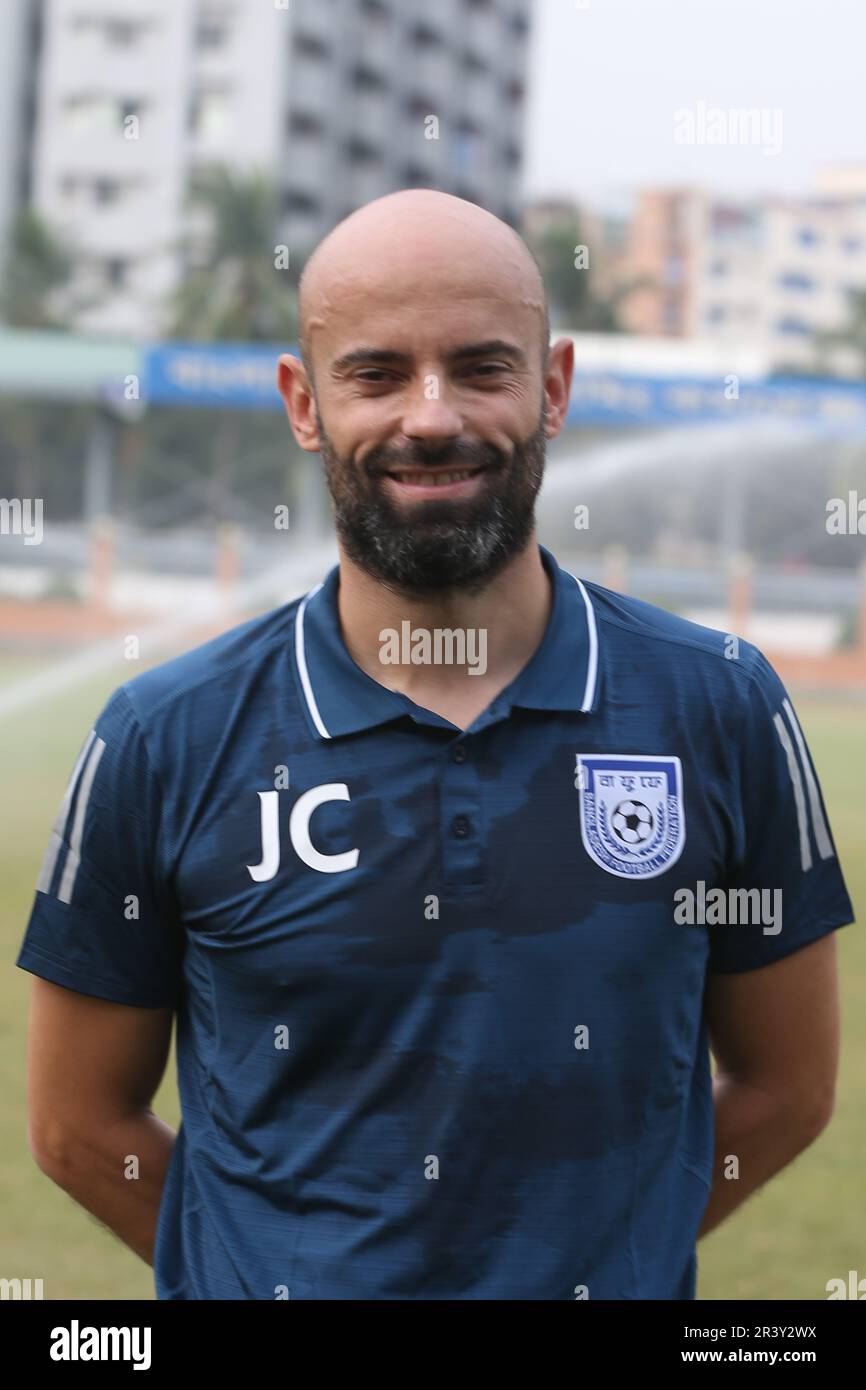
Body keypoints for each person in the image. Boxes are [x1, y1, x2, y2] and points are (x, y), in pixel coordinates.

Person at [17, 189, 854, 1300]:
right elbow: (79, 1126)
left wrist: (607, 1260)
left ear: (551, 387)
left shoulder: (723, 707)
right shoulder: (161, 738)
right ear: (302, 403)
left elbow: (786, 1087)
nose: (429, 415)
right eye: (373, 374)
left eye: (480, 367)